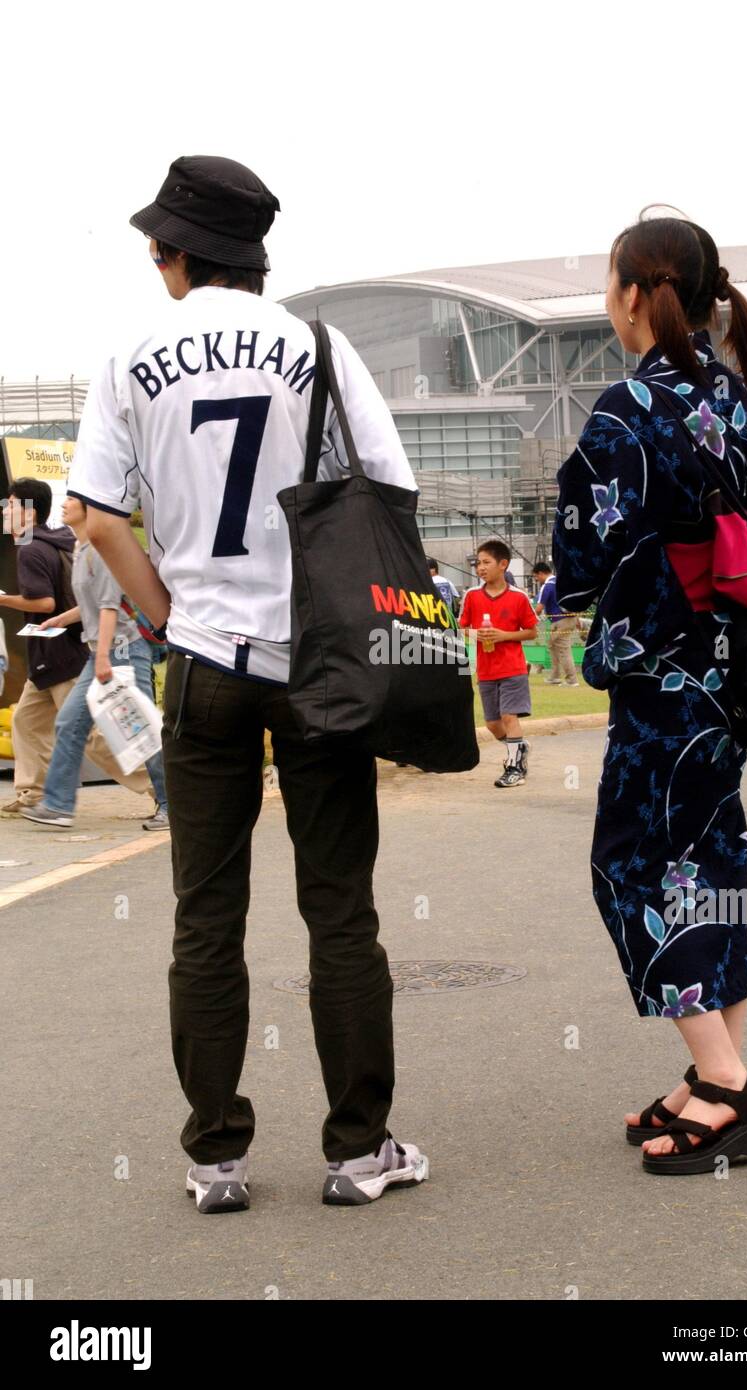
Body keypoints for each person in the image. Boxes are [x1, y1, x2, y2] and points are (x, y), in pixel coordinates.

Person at [66, 154, 428, 1213]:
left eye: (160, 240)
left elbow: (93, 514)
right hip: (316, 663)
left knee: (204, 915)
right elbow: (389, 490)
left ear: (184, 252)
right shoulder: (319, 345)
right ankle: (359, 1150)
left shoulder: (130, 355)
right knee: (340, 913)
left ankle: (216, 1155)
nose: (151, 253)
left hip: (205, 668)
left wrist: (167, 611)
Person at [554, 215, 747, 1174]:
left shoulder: (625, 411)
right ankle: (716, 1070)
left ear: (632, 294)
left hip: (661, 680)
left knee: (627, 868)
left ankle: (727, 1085)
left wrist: (578, 598)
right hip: (733, 679)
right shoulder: (741, 399)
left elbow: (589, 559)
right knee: (713, 863)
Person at [0, 479, 155, 815]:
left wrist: (5, 600)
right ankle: (37, 795)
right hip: (57, 653)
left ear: (26, 511)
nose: (5, 509)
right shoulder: (66, 542)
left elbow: (47, 602)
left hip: (70, 656)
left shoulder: (32, 549)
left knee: (95, 735)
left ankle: (161, 788)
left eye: (10, 504)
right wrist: (61, 620)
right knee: (27, 721)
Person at [459, 539, 537, 787]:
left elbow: (532, 632)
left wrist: (504, 636)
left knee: (509, 717)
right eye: (478, 563)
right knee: (493, 724)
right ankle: (520, 748)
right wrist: (475, 634)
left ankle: (515, 768)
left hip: (513, 668)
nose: (480, 568)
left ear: (502, 564)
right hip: (486, 669)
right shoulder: (471, 596)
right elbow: (463, 628)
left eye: (486, 562)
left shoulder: (519, 597)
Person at [532, 560, 580, 687]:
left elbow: (539, 608)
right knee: (552, 646)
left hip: (559, 622)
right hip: (570, 619)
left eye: (536, 576)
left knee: (563, 650)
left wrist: (526, 620)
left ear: (541, 573)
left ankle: (572, 680)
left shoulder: (547, 586)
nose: (536, 579)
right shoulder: (561, 581)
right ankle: (555, 676)